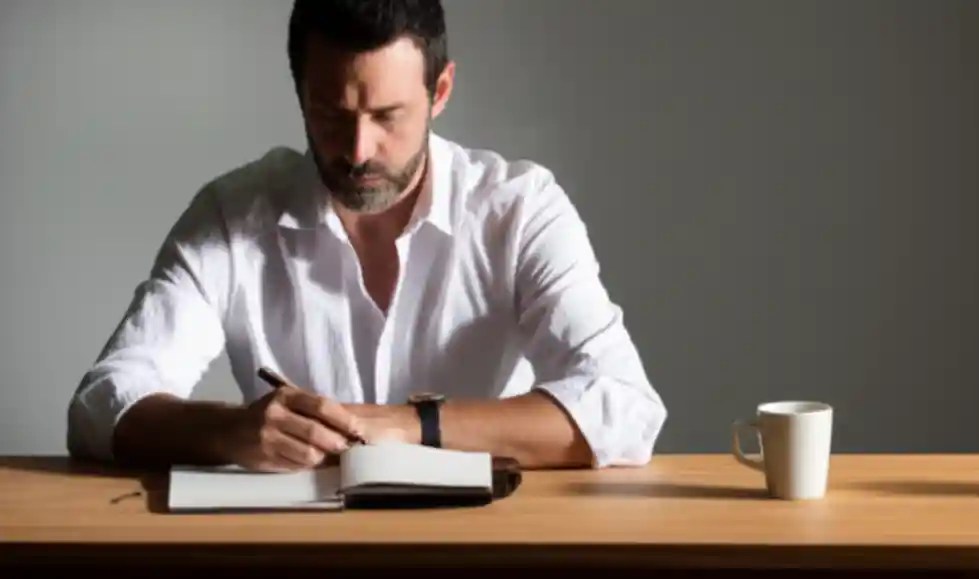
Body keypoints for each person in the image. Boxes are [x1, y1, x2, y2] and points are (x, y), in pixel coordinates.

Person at [66, 0, 665, 471]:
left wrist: (408, 426)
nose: (358, 151)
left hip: (479, 554)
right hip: (298, 562)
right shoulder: (232, 214)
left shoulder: (520, 209)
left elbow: (623, 407)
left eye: (387, 116)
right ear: (300, 92)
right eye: (331, 115)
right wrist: (230, 432)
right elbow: (100, 405)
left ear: (441, 92)